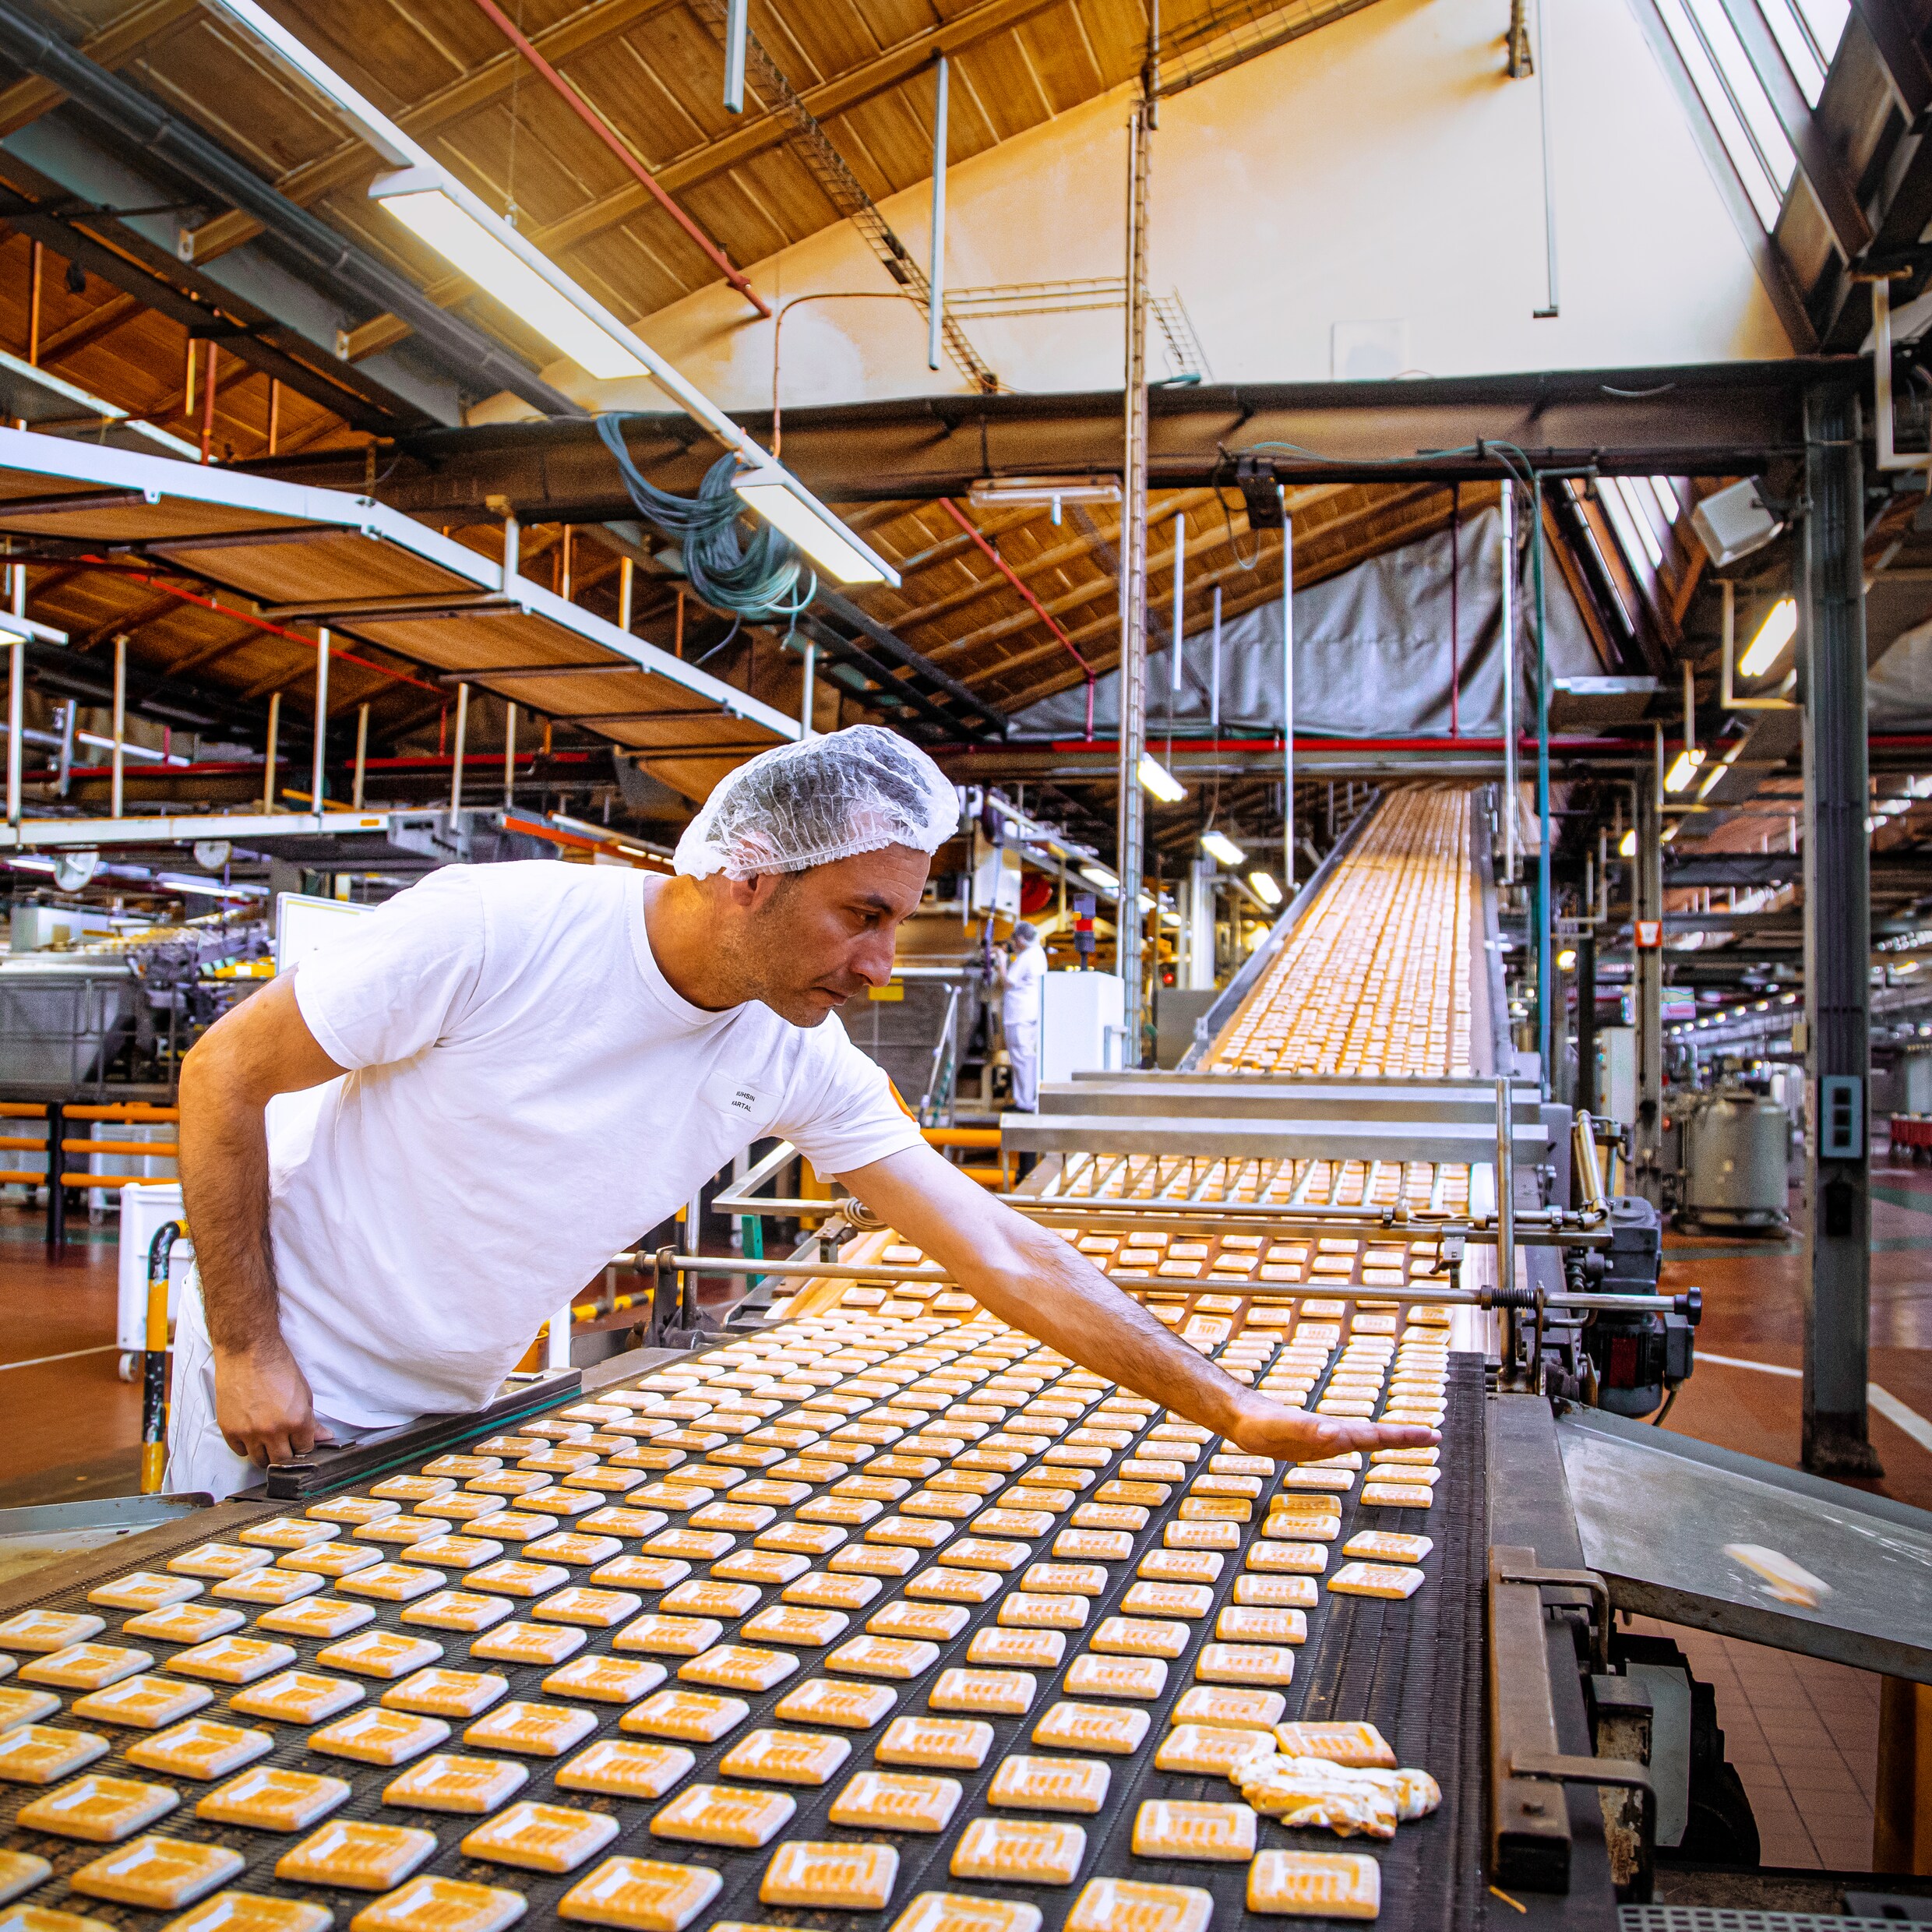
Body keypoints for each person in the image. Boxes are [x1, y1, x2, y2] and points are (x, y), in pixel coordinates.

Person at [172, 724, 1436, 1497]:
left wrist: (1223, 1405)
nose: (883, 963)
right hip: (290, 1381)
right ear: (748, 876)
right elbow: (222, 1072)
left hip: (462, 1395)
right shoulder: (495, 930)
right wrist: (246, 1349)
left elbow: (1000, 1248)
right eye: (863, 916)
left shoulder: (796, 1052)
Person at [996, 918, 1047, 1112]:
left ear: (1021, 939)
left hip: (1019, 1015)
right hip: (1027, 1014)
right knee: (1023, 1058)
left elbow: (1008, 981)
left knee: (1022, 1058)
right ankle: (1022, 1099)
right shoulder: (1037, 954)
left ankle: (1025, 1102)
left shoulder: (1028, 956)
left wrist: (1001, 960)